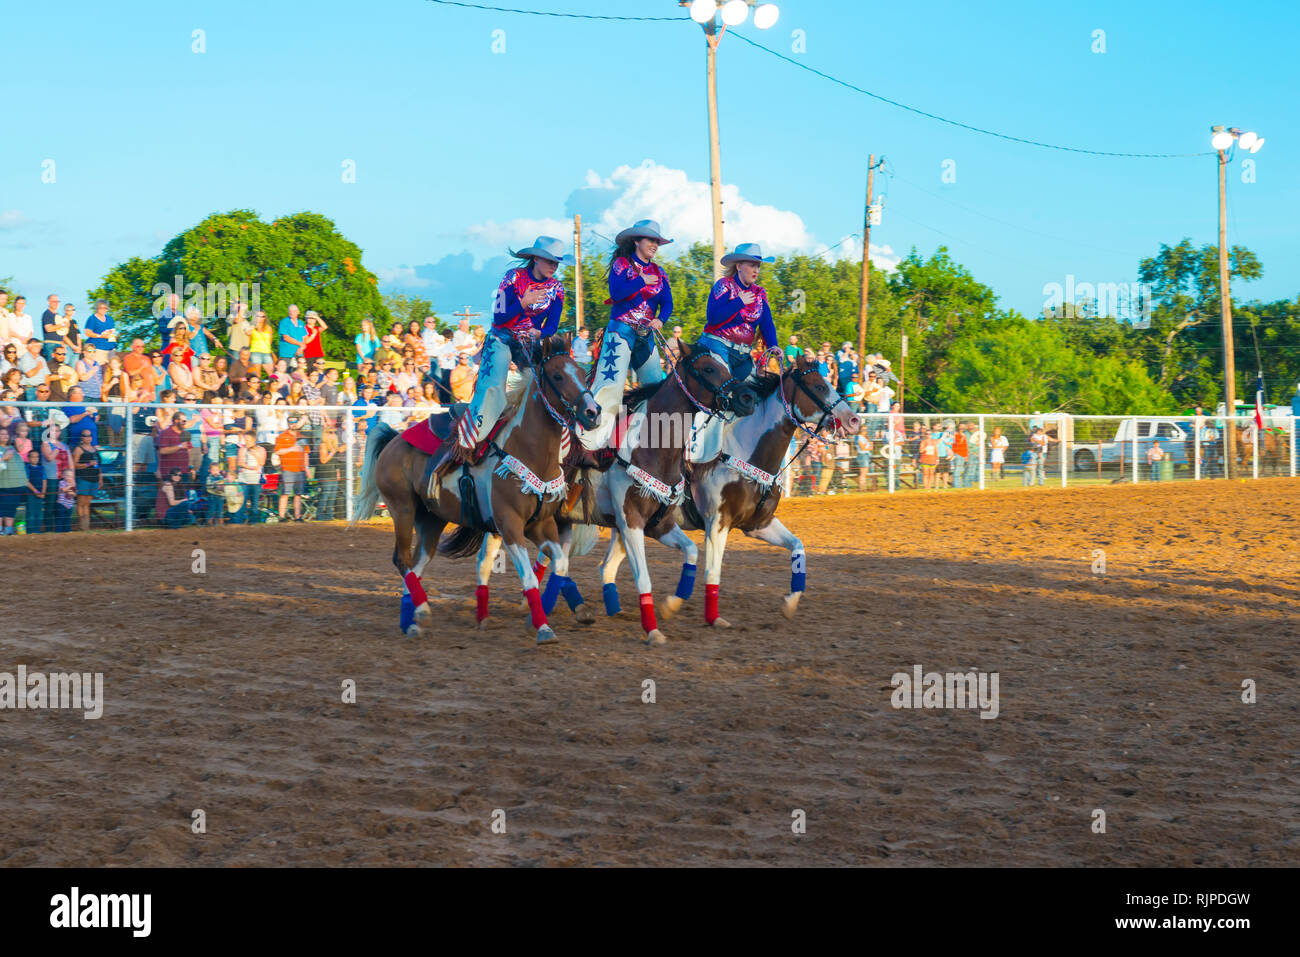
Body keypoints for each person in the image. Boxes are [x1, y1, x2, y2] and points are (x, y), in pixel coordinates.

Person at [450, 235, 568, 456]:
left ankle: (543, 441)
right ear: (536, 258)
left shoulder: (557, 288)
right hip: (502, 337)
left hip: (528, 342)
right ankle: (467, 443)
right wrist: (524, 302)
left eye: (557, 262)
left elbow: (553, 324)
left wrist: (541, 332)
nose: (554, 266)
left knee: (544, 387)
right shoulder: (512, 278)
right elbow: (499, 316)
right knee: (493, 387)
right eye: (550, 261)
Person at [579, 220, 673, 451]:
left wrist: (661, 319)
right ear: (636, 241)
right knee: (611, 385)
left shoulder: (659, 272)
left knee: (657, 387)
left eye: (657, 241)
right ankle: (590, 443)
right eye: (650, 240)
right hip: (620, 331)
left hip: (646, 335)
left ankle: (647, 439)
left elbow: (667, 303)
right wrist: (641, 280)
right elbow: (617, 293)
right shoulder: (622, 265)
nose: (654, 245)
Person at [689, 242, 780, 460]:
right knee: (720, 392)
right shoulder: (724, 286)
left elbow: (766, 322)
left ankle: (736, 447)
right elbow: (714, 318)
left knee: (752, 396)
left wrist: (773, 344)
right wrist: (739, 302)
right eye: (752, 264)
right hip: (717, 344)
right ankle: (700, 448)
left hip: (742, 354)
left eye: (758, 265)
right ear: (739, 265)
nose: (756, 270)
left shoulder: (760, 293)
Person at [72, 429, 102, 531]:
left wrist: (100, 478)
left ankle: (86, 526)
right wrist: (88, 464)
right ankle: (82, 525)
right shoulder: (78, 449)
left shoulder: (94, 449)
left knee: (87, 503)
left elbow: (99, 466)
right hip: (83, 478)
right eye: (85, 435)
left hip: (94, 478)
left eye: (90, 435)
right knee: (81, 502)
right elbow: (74, 465)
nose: (88, 437)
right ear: (81, 437)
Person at [0, 429, 27, 534]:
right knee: (1, 510)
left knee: (11, 510)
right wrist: (3, 458)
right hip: (4, 485)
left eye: (6, 433)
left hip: (18, 485)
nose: (5, 435)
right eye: (1, 434)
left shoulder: (12, 448)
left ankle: (8, 531)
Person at [248, 311, 275, 378]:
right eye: (258, 316)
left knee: (271, 373)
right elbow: (249, 341)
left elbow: (270, 341)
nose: (260, 318)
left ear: (265, 318)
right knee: (257, 374)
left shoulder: (268, 328)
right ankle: (258, 387)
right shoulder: (252, 328)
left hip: (266, 352)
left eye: (262, 316)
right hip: (255, 352)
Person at [40, 294, 62, 360]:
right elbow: (48, 329)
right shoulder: (46, 314)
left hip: (59, 344)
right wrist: (62, 325)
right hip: (50, 344)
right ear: (48, 302)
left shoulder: (58, 315)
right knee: (51, 365)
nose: (56, 303)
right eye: (54, 301)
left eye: (57, 301)